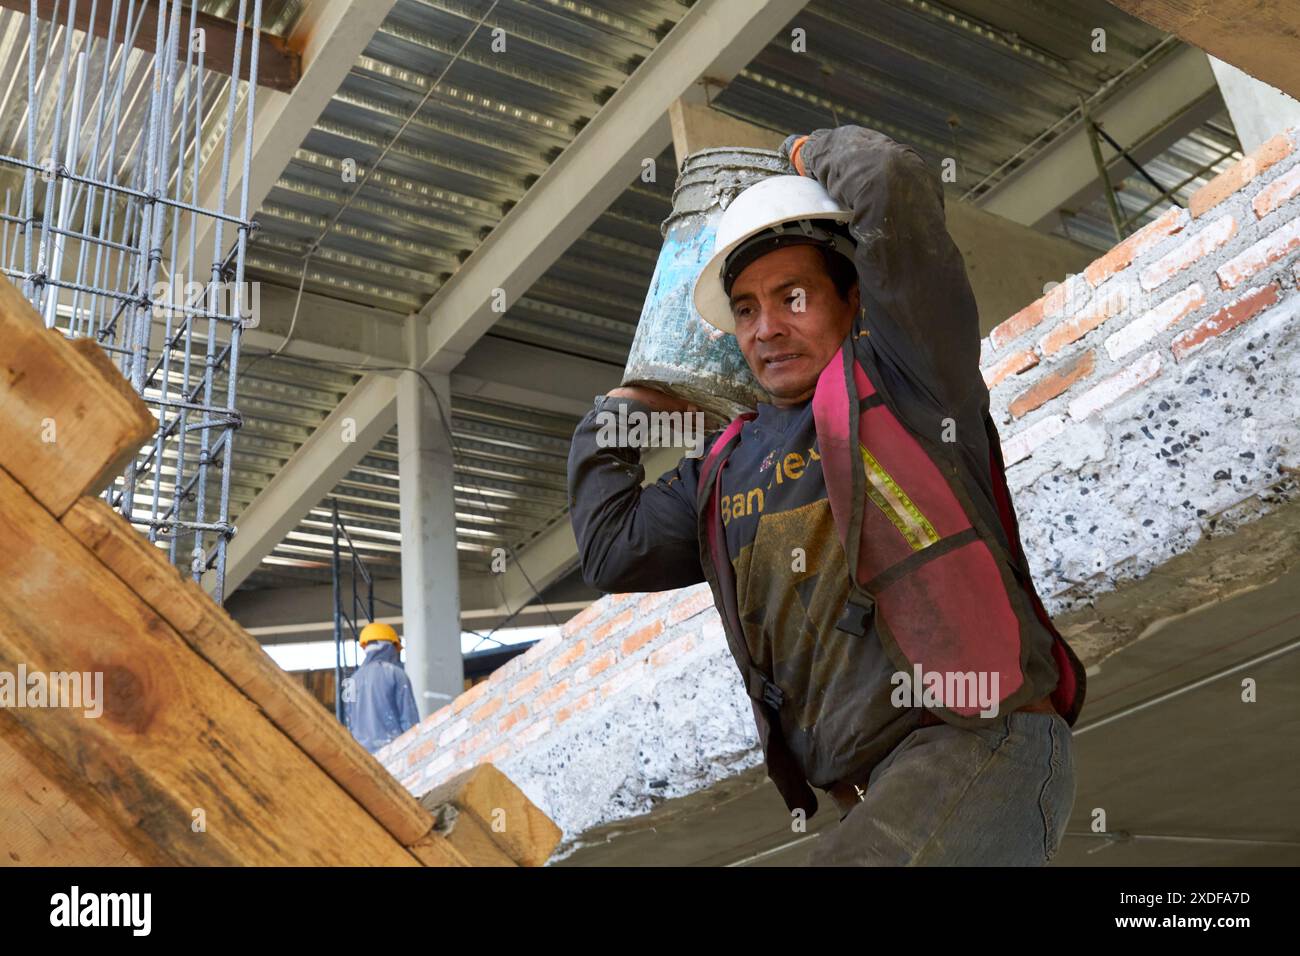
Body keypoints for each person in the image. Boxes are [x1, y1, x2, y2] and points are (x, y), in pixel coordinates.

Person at [566, 125, 1087, 865]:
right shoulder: (721, 469)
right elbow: (610, 548)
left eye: (794, 296)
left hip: (978, 747)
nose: (767, 327)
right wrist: (629, 399)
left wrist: (799, 151)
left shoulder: (909, 379)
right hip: (878, 793)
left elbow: (888, 181)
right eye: (744, 309)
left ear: (853, 299)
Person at [346, 622, 421, 754]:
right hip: (393, 753)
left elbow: (348, 722)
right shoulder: (396, 674)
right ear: (389, 647)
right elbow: (410, 722)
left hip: (361, 756)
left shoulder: (350, 681)